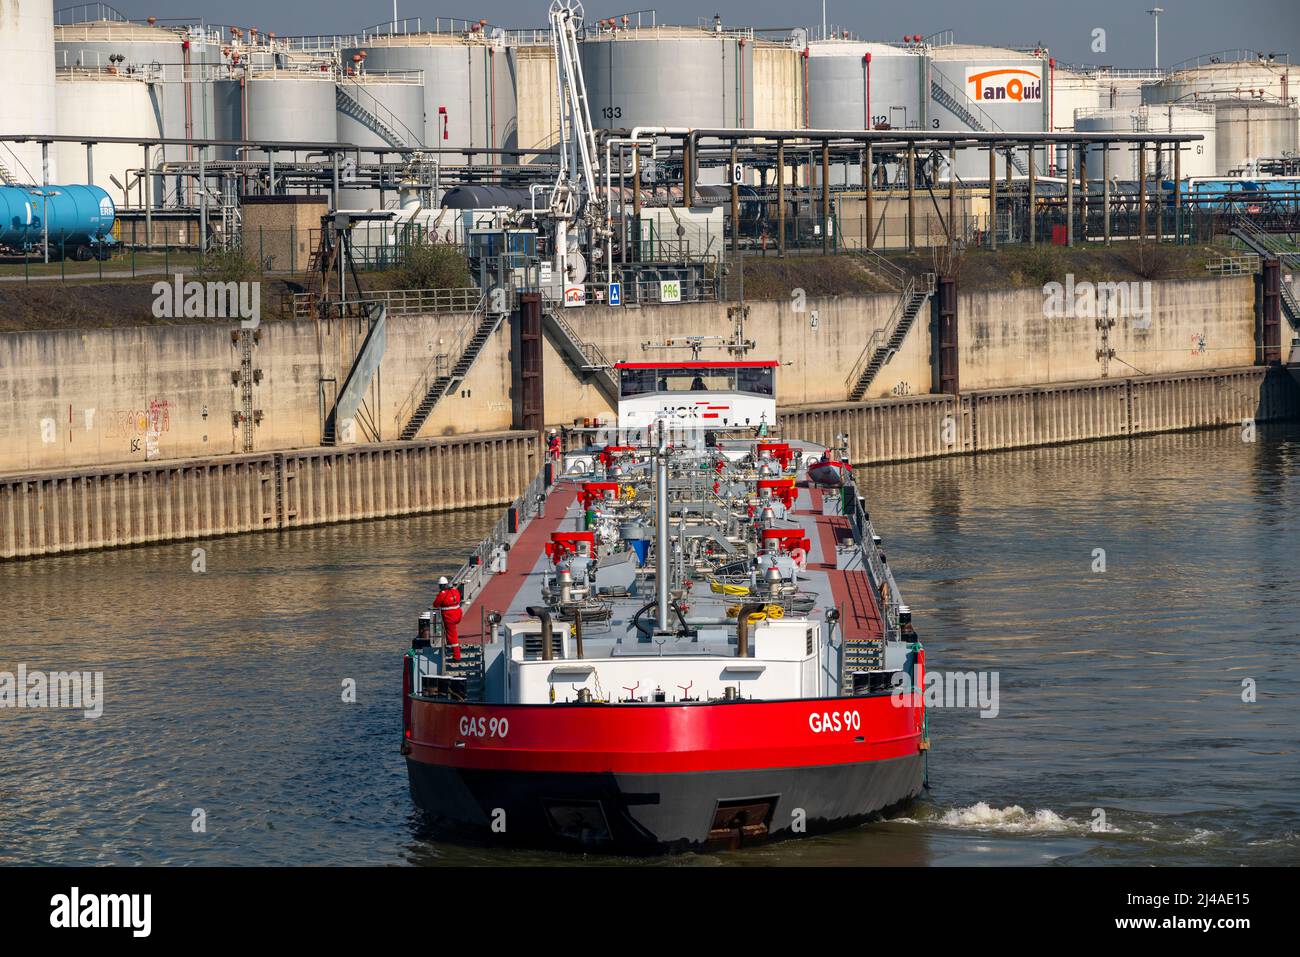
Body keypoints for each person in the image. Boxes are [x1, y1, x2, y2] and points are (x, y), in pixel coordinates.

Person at [433, 576, 463, 661]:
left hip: (449, 616)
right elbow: (458, 598)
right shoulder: (454, 590)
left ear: (441, 586)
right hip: (458, 614)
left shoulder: (442, 594)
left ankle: (457, 656)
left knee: (452, 635)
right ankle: (449, 647)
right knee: (450, 633)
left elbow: (435, 604)